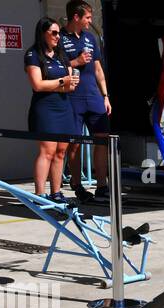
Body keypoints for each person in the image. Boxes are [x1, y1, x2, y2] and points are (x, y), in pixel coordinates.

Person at [24, 17, 79, 204]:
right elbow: (38, 85)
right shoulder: (33, 54)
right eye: (53, 33)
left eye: (59, 33)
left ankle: (56, 192)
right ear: (43, 33)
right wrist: (61, 82)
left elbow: (71, 86)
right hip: (45, 108)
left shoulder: (61, 55)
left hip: (64, 107)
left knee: (60, 152)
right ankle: (39, 195)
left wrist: (57, 84)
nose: (58, 36)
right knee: (47, 151)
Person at [60, 1, 110, 204]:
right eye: (88, 17)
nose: (90, 21)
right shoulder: (60, 37)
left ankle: (102, 185)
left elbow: (98, 68)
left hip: (93, 95)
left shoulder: (90, 37)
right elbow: (54, 66)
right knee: (75, 143)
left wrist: (105, 95)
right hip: (72, 97)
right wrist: (75, 62)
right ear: (76, 17)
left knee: (102, 139)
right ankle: (76, 183)